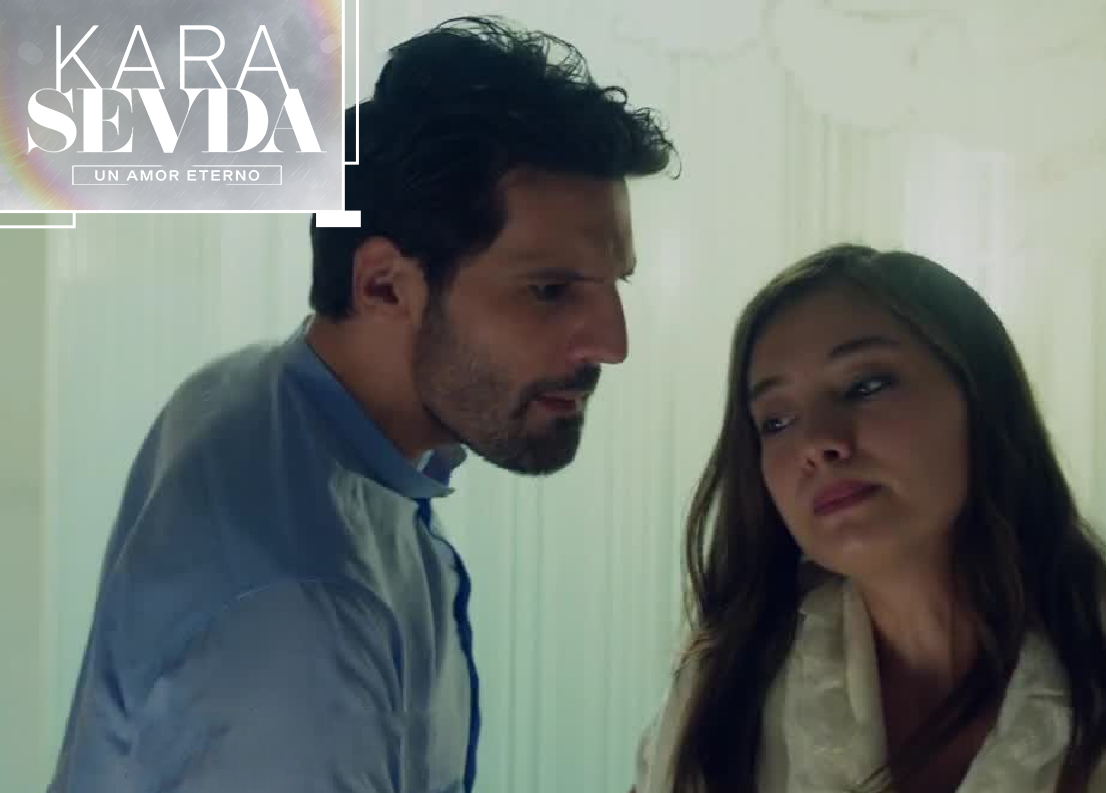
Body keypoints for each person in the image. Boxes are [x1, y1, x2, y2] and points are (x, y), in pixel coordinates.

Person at [49, 15, 674, 793]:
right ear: (383, 284)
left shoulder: (246, 391)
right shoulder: (300, 628)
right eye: (550, 290)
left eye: (614, 284)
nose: (611, 343)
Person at [632, 244, 1106, 793]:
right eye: (776, 420)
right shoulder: (717, 704)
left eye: (865, 385)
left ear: (982, 400)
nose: (817, 442)